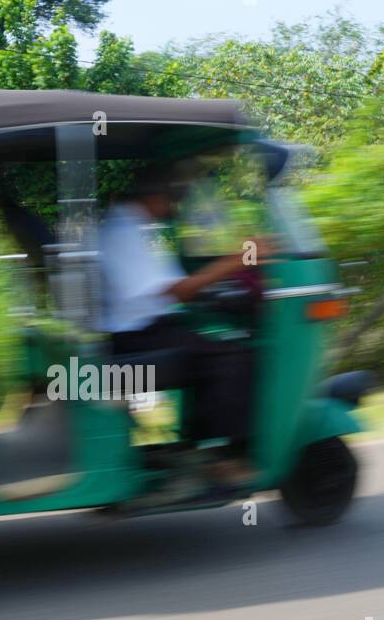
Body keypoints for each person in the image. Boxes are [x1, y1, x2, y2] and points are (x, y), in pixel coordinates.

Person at [99, 162, 270, 486]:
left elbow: (173, 289)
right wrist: (238, 260)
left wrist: (210, 284)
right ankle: (222, 456)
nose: (174, 205)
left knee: (209, 347)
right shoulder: (123, 233)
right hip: (131, 339)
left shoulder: (136, 229)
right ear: (153, 196)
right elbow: (177, 290)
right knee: (231, 357)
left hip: (144, 330)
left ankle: (196, 447)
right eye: (171, 197)